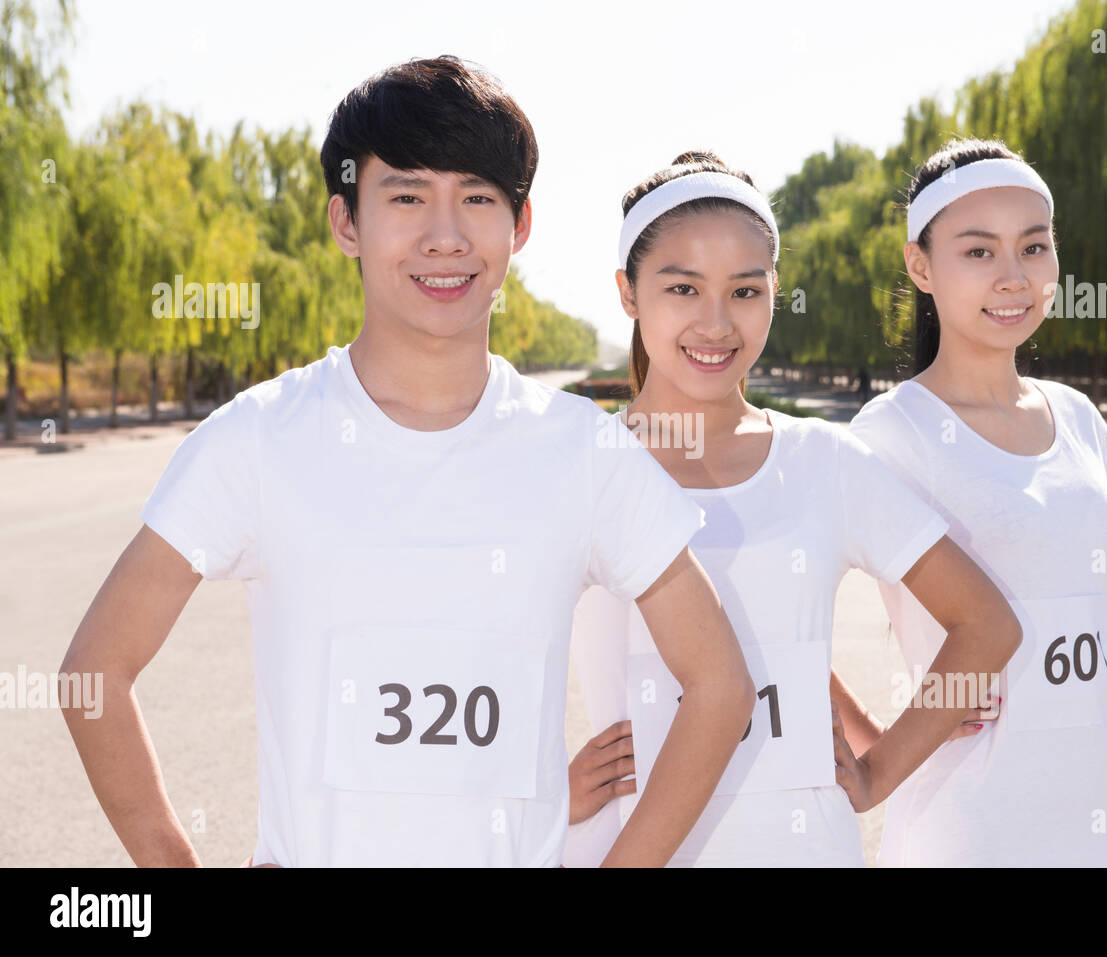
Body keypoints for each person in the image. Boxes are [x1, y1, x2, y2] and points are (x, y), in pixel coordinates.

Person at [58, 57, 756, 868]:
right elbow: (93, 673)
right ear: (346, 222)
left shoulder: (585, 451)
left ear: (519, 225)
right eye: (406, 195)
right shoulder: (259, 437)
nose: (445, 235)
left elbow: (721, 685)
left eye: (478, 199)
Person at [563, 151, 1023, 867]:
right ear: (628, 291)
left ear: (776, 290)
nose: (716, 323)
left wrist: (878, 768)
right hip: (621, 845)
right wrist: (541, 792)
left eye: (745, 291)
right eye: (682, 287)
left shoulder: (825, 461)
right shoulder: (576, 466)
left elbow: (987, 625)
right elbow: (467, 661)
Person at [845, 137, 1107, 866]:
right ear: (920, 265)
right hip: (963, 828)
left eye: (1034, 247)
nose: (1013, 276)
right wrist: (874, 751)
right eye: (978, 251)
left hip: (1094, 820)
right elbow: (776, 593)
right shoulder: (889, 434)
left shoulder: (1077, 415)